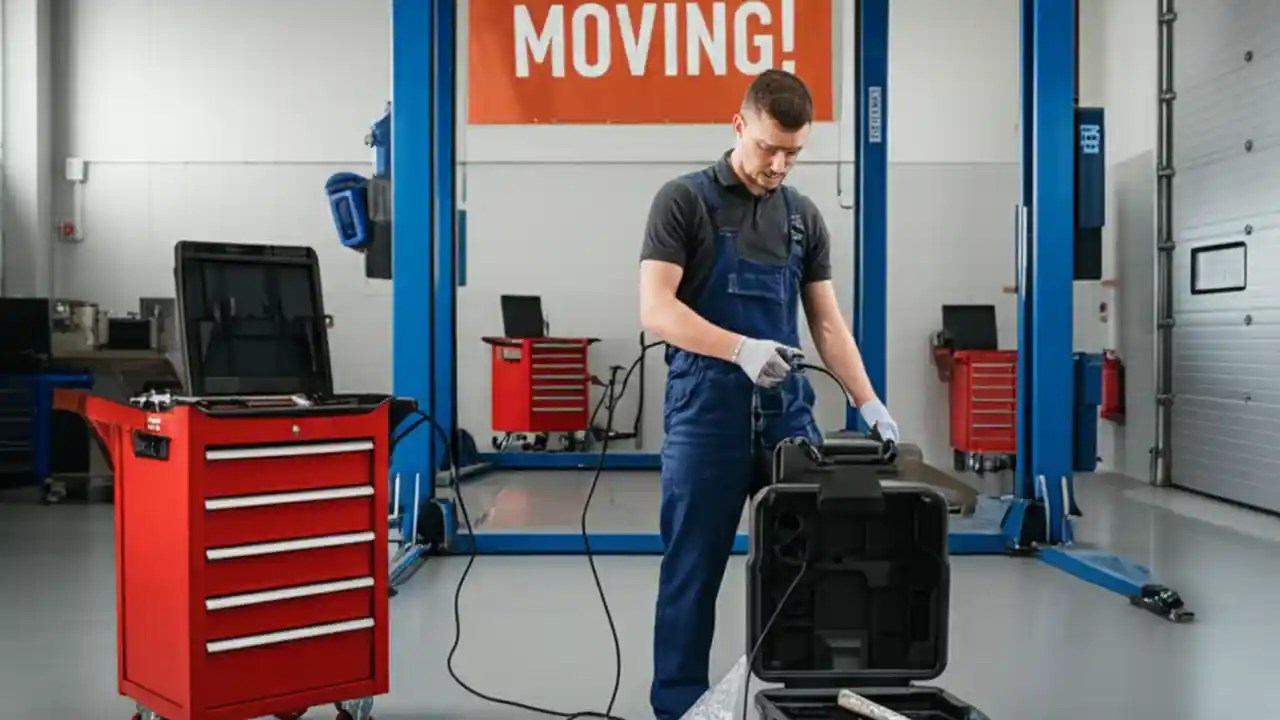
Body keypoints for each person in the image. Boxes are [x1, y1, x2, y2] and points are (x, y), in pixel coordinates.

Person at [638, 69, 900, 719]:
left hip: (787, 412)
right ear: (739, 127)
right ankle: (679, 708)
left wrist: (868, 403)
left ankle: (811, 700)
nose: (778, 165)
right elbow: (656, 310)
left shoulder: (804, 217)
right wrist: (738, 348)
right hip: (706, 409)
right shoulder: (684, 201)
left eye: (794, 153)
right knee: (692, 569)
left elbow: (828, 324)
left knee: (816, 558)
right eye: (767, 149)